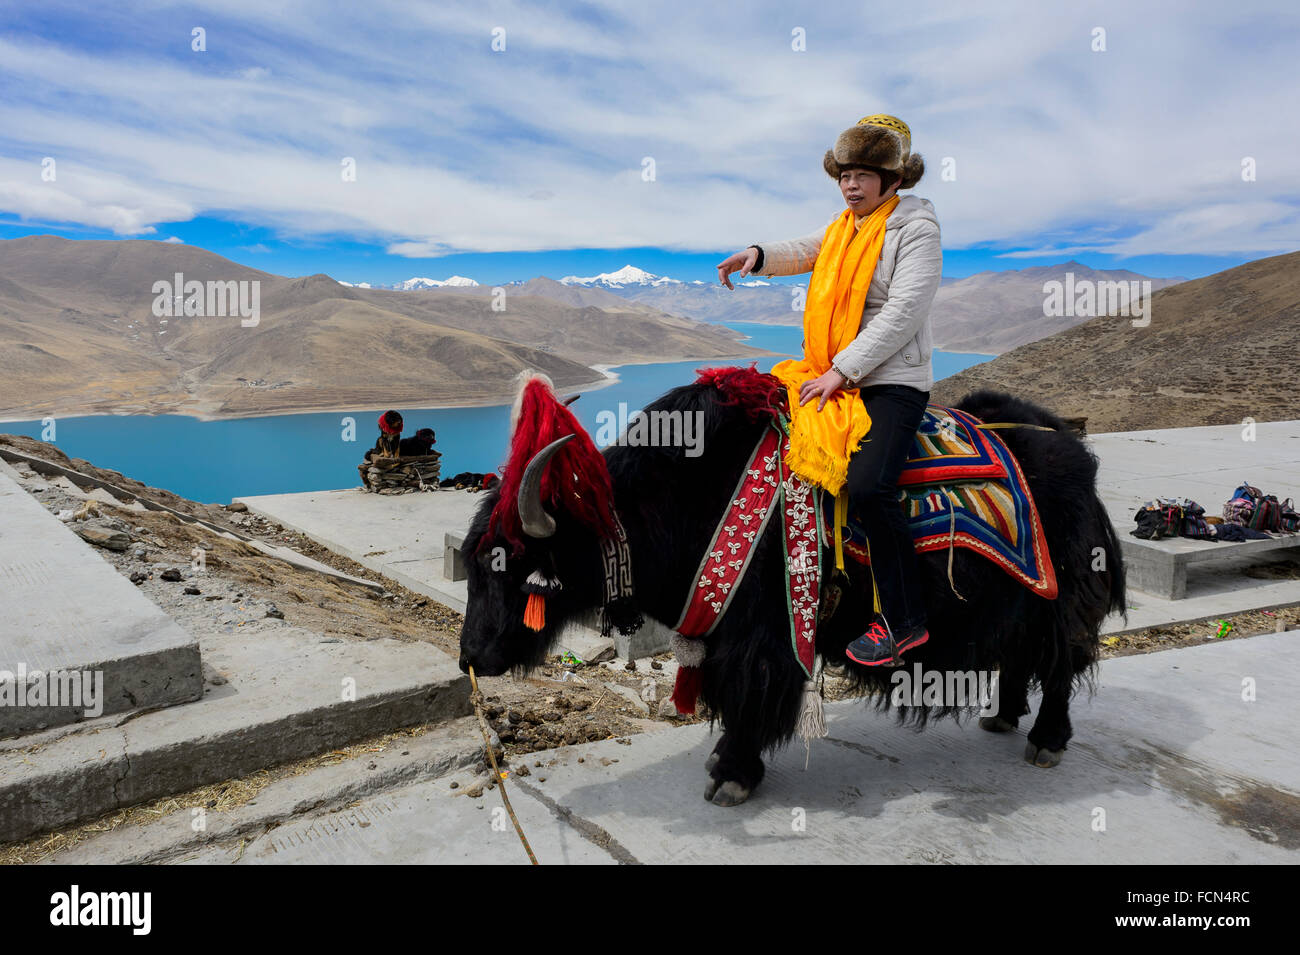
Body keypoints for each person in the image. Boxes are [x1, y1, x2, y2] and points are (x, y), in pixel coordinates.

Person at [716, 114, 942, 667]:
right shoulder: (845, 226)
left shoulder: (916, 229)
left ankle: (904, 620)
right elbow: (805, 249)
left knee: (869, 487)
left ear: (895, 179)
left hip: (891, 382)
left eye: (865, 174)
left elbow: (904, 313)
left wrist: (843, 371)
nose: (851, 184)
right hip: (831, 369)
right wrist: (758, 256)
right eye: (844, 173)